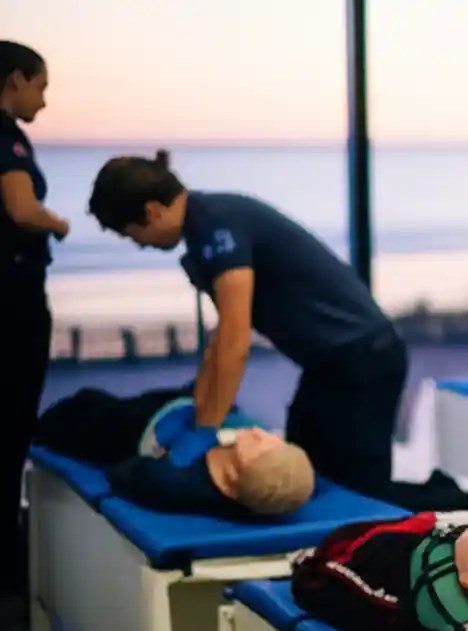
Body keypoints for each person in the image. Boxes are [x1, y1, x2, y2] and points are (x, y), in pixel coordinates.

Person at [86, 153, 408, 500]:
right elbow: (219, 343)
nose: (140, 245)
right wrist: (199, 407)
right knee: (299, 477)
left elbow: (235, 340)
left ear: (152, 211)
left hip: (365, 362)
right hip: (328, 365)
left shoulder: (217, 227)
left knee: (360, 495)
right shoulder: (204, 229)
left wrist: (207, 429)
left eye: (134, 235)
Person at [0, 40, 69, 596]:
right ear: (15, 80)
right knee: (13, 422)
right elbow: (22, 210)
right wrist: (58, 223)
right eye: (40, 86)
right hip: (14, 301)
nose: (43, 101)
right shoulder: (6, 139)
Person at [35, 387, 314, 517]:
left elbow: (123, 473)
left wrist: (189, 443)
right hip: (192, 404)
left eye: (261, 444)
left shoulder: (175, 480)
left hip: (138, 425)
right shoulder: (264, 470)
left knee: (82, 405)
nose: (260, 433)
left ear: (234, 480)